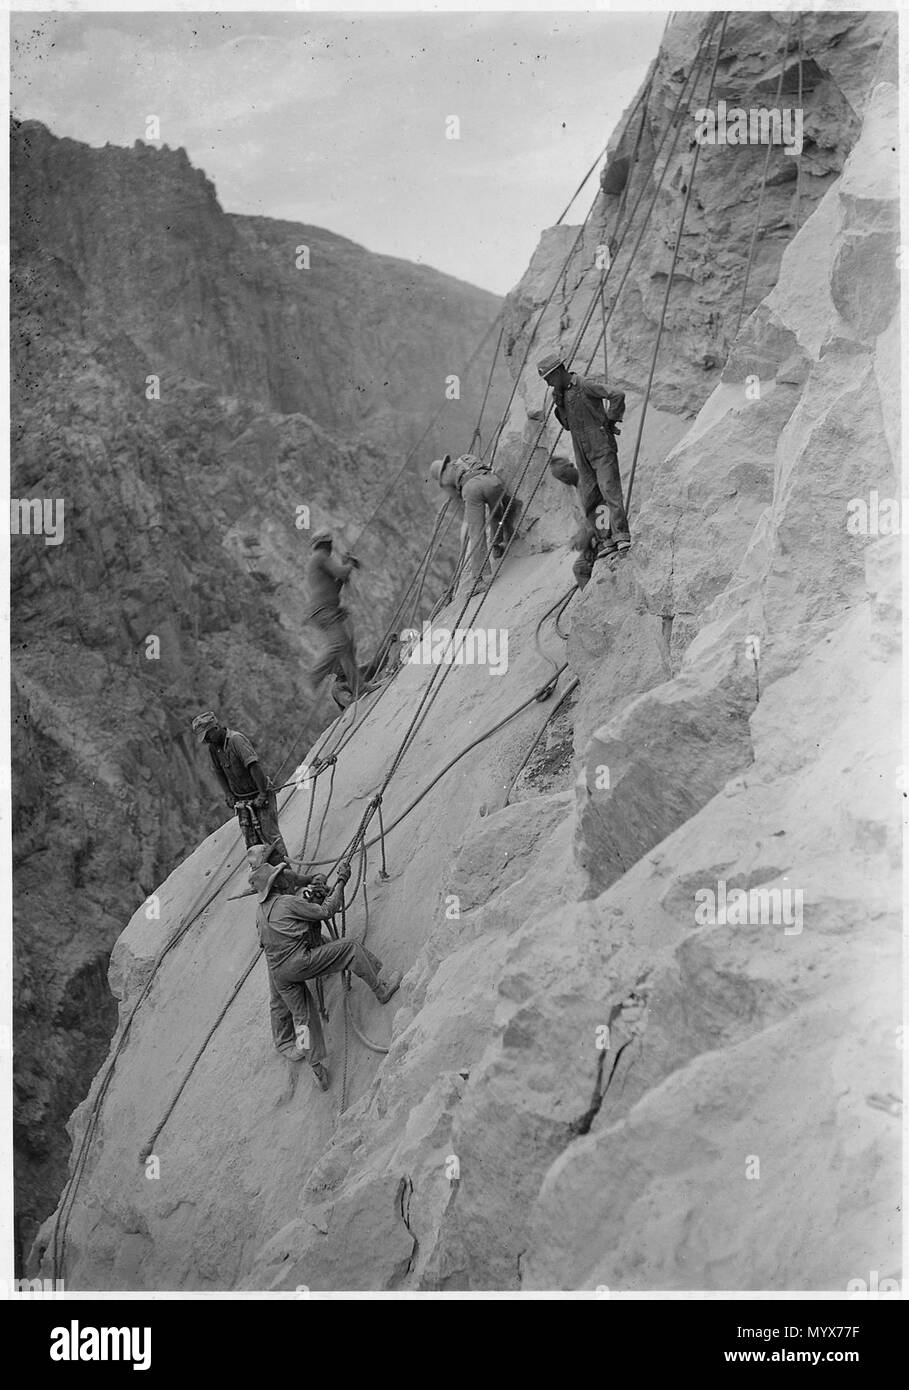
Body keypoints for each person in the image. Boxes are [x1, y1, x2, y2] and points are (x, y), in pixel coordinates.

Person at [249, 852, 402, 1091]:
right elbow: (327, 911)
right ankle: (381, 990)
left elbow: (272, 940)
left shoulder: (260, 913)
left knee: (302, 1018)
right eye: (278, 877)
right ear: (275, 884)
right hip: (299, 962)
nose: (282, 878)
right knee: (350, 949)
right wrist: (341, 880)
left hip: (279, 973)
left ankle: (316, 1067)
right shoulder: (286, 902)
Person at [537, 352, 629, 555]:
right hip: (582, 452)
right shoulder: (562, 394)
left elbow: (617, 394)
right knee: (592, 498)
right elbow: (568, 425)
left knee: (609, 490)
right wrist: (559, 403)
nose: (549, 384)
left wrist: (610, 421)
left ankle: (621, 535)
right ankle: (608, 539)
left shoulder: (584, 384)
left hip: (601, 446)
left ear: (559, 372)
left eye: (549, 379)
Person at [192, 711, 288, 858]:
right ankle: (268, 876)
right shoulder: (214, 748)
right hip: (242, 799)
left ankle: (288, 874)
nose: (208, 741)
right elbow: (219, 772)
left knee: (271, 836)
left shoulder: (236, 740)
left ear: (215, 727)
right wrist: (228, 794)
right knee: (252, 843)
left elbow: (254, 766)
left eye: (208, 736)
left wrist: (262, 794)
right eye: (205, 739)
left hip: (259, 793)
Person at [429, 453, 522, 594]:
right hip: (492, 482)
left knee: (476, 532)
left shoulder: (444, 479)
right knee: (497, 514)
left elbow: (458, 499)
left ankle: (478, 580)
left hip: (472, 490)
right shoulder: (464, 458)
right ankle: (496, 545)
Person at [304, 530, 377, 699]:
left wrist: (346, 565)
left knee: (347, 649)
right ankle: (314, 677)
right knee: (339, 644)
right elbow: (342, 573)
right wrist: (349, 564)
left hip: (327, 610)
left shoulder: (318, 560)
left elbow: (336, 585)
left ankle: (359, 687)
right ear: (325, 544)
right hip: (324, 611)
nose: (331, 547)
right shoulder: (320, 556)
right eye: (330, 543)